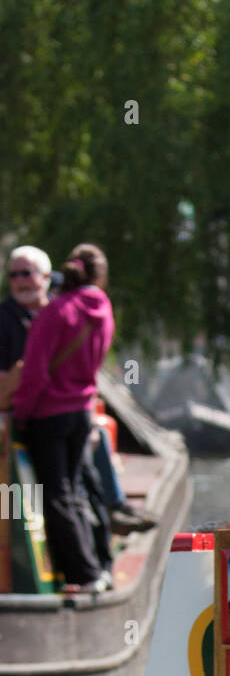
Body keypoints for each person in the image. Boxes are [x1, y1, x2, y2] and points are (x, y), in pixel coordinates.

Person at [12, 243, 115, 594]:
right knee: (75, 491)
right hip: (81, 412)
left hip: (48, 415)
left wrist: (22, 414)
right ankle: (98, 567)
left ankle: (83, 573)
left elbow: (35, 375)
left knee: (53, 496)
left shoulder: (55, 313)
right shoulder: (103, 308)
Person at [0, 246, 53, 409]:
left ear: (46, 276)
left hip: (58, 408)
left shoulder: (62, 314)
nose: (19, 280)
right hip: (16, 411)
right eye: (13, 275)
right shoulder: (3, 316)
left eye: (26, 273)